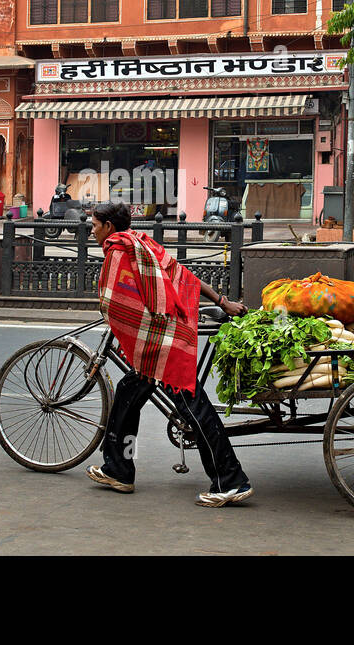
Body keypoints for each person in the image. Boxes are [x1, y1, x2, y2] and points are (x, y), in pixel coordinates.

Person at [85, 201, 253, 507]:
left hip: (161, 345)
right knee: (127, 395)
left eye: (94, 225)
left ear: (108, 226)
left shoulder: (119, 250)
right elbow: (183, 276)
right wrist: (223, 301)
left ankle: (231, 481)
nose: (91, 231)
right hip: (158, 340)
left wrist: (129, 328)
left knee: (193, 407)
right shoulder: (142, 243)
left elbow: (115, 302)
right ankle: (119, 470)